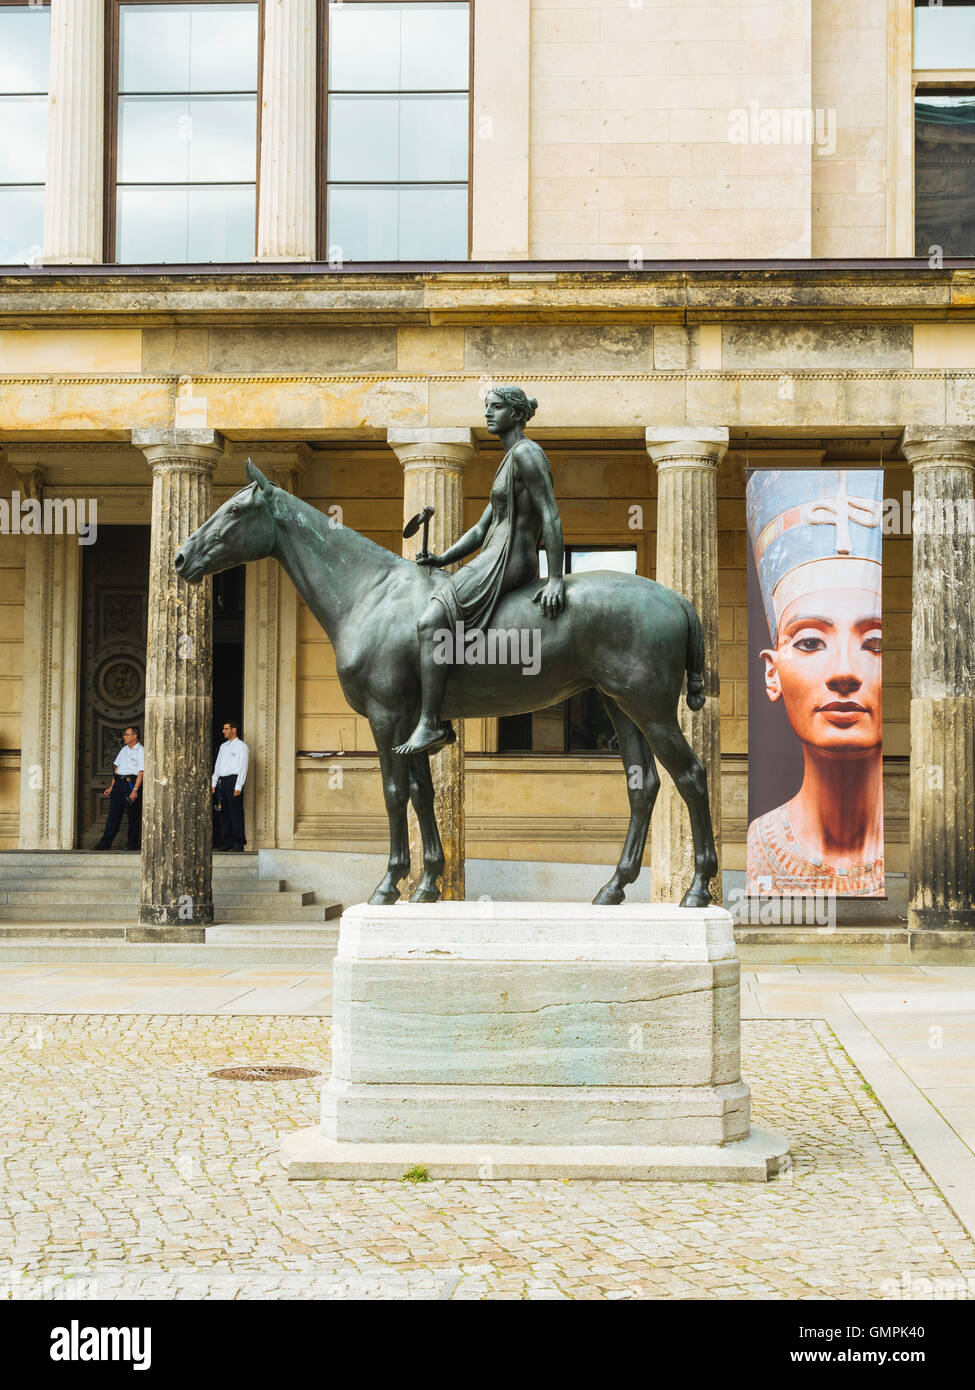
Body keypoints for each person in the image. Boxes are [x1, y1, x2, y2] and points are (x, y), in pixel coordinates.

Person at [394, 386, 566, 755]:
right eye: (487, 406)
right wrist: (441, 559)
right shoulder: (508, 461)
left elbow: (550, 513)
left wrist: (555, 577)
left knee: (429, 622)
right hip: (494, 552)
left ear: (517, 414)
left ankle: (430, 724)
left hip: (509, 559)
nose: (488, 413)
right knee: (440, 611)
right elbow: (479, 529)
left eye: (497, 407)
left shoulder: (527, 454)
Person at [745, 469, 885, 896]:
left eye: (875, 643)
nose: (844, 672)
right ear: (773, 673)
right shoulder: (756, 846)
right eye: (810, 641)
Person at [93, 725, 144, 851]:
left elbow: (141, 772)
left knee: (132, 816)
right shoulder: (124, 750)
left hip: (130, 783)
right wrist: (112, 786)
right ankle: (105, 843)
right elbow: (117, 768)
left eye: (127, 734)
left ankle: (132, 844)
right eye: (124, 735)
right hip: (119, 782)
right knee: (113, 814)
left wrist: (135, 790)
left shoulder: (141, 750)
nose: (124, 737)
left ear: (135, 736)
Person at [212, 721, 249, 851]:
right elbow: (218, 765)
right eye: (224, 729)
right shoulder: (223, 746)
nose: (224, 731)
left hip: (234, 780)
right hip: (223, 780)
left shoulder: (241, 746)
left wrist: (238, 786)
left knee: (235, 812)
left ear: (234, 730)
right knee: (223, 812)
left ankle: (238, 843)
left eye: (226, 729)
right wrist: (214, 781)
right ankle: (226, 842)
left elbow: (243, 767)